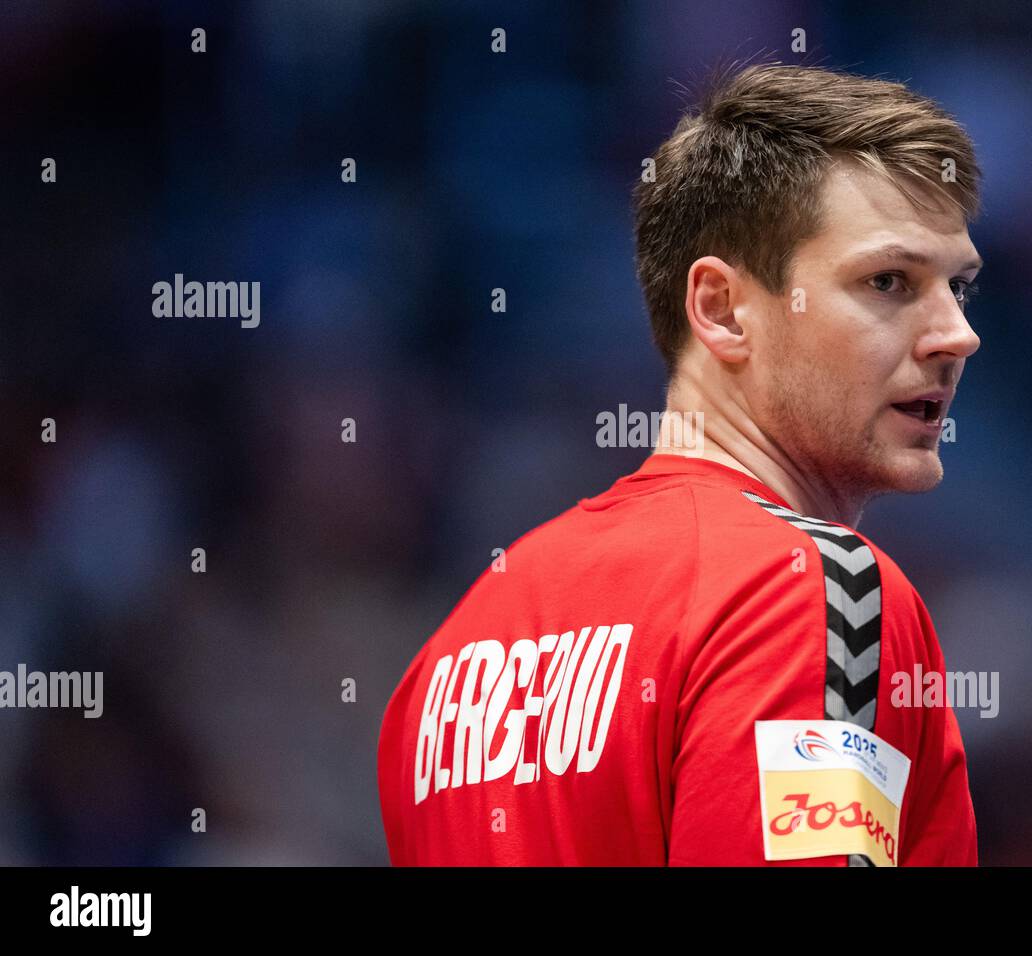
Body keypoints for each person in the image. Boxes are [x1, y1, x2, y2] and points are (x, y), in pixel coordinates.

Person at [378, 62, 983, 866]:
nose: (956, 334)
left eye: (960, 289)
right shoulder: (807, 589)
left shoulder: (451, 655)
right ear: (723, 310)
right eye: (889, 281)